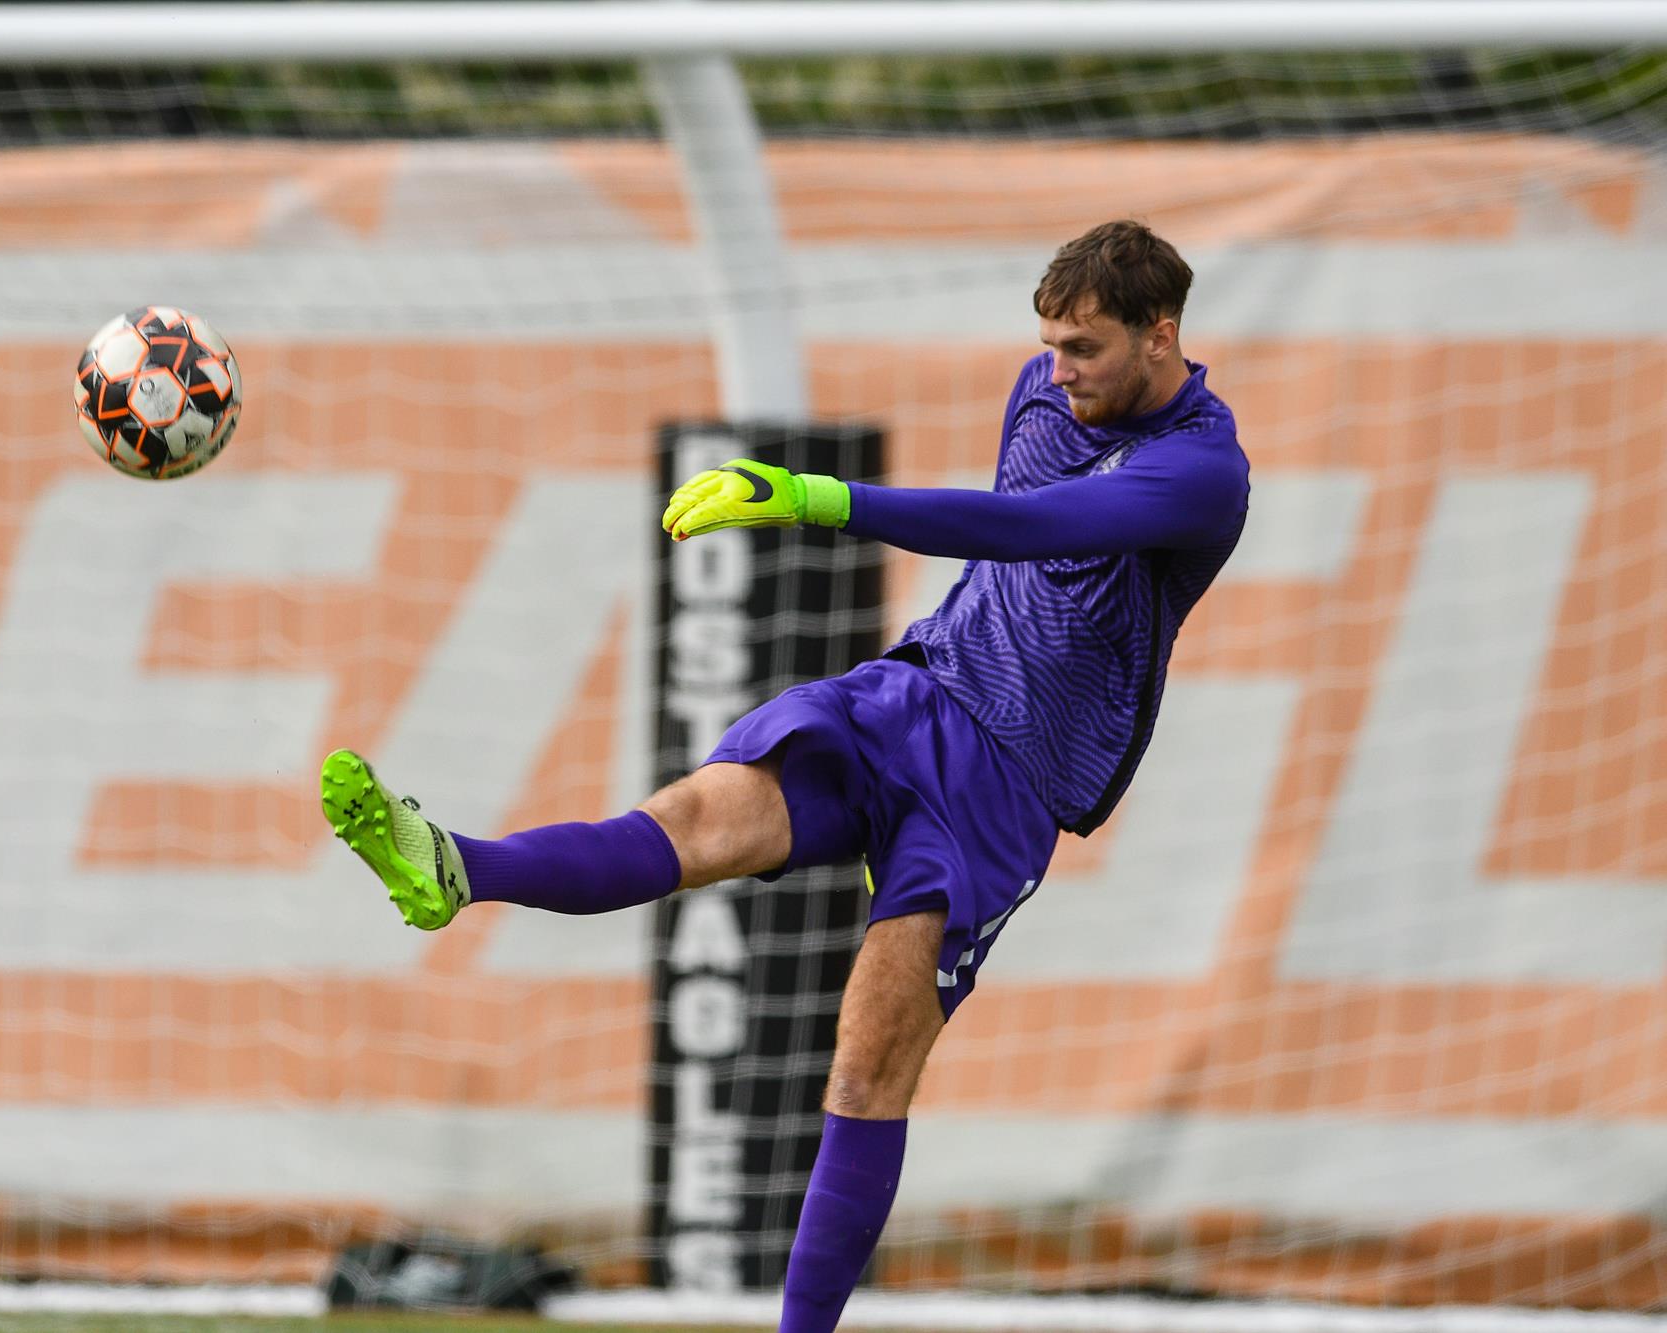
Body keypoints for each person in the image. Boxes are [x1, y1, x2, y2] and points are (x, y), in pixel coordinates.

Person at [319, 218, 1249, 1333]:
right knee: (695, 818)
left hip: (1000, 789)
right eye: (1047, 344)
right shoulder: (1044, 391)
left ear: (1160, 336)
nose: (1056, 371)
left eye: (1082, 349)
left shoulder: (1201, 472)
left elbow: (1021, 527)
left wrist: (813, 497)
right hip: (911, 688)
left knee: (863, 1073)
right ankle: (453, 867)